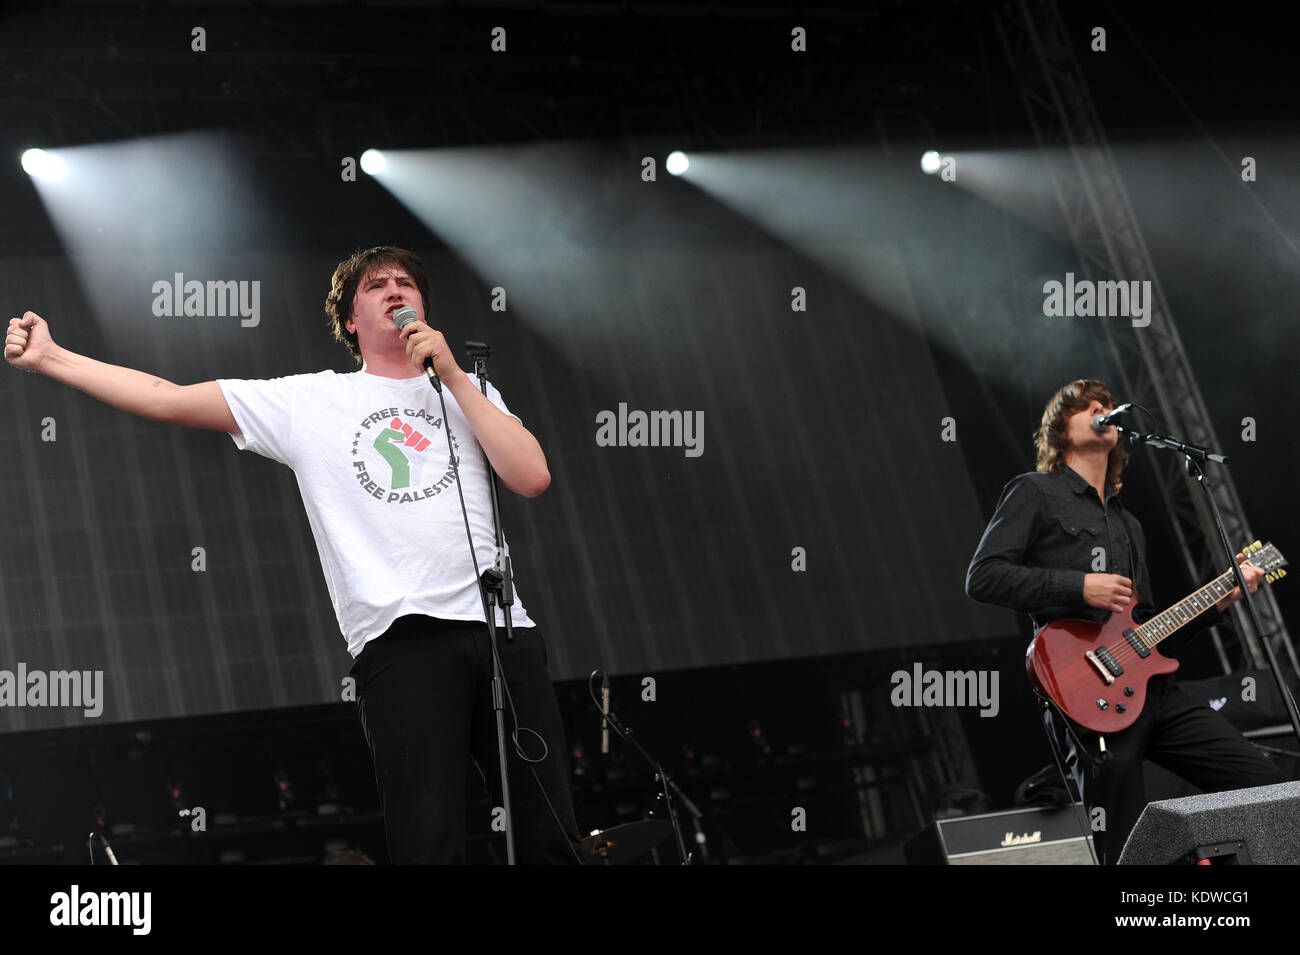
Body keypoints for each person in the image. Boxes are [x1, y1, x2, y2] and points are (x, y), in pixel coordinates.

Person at [6, 246, 582, 864]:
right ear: (351, 319)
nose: (396, 291)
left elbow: (532, 477)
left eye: (406, 284)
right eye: (377, 285)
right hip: (401, 638)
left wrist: (455, 377)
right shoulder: (312, 402)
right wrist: (52, 358)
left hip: (503, 631)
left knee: (550, 833)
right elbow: (166, 397)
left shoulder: (471, 391)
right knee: (428, 839)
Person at [965, 378, 1284, 864]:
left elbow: (1149, 626)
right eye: (1087, 405)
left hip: (1154, 692)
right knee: (1127, 843)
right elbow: (983, 577)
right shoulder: (1034, 492)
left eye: (1109, 404)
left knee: (1268, 786)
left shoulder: (1128, 525)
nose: (1104, 409)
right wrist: (1078, 585)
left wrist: (1219, 600)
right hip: (1085, 691)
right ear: (1061, 430)